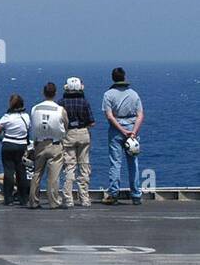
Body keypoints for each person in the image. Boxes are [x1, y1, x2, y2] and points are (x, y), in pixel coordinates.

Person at [102, 67, 144, 205]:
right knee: (133, 163)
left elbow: (109, 116)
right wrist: (133, 132)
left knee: (115, 162)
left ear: (113, 77)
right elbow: (140, 115)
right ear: (124, 77)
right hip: (132, 128)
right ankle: (136, 194)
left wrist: (121, 129)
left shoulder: (108, 94)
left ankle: (113, 194)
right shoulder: (134, 94)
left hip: (116, 130)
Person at [28, 82, 67, 209]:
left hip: (39, 144)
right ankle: (54, 202)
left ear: (44, 93)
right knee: (53, 176)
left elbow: (32, 124)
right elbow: (65, 125)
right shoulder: (60, 109)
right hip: (55, 144)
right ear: (55, 93)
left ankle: (33, 201)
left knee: (36, 173)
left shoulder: (35, 108)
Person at [58, 77, 94, 208]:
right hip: (83, 133)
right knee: (84, 166)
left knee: (69, 166)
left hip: (68, 134)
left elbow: (59, 121)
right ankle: (84, 198)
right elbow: (92, 122)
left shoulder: (61, 102)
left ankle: (68, 199)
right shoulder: (84, 102)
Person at [0, 94, 31, 206]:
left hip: (8, 145)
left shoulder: (7, 117)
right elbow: (28, 129)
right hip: (22, 145)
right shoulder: (26, 117)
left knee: (8, 171)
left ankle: (8, 198)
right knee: (21, 172)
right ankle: (23, 198)